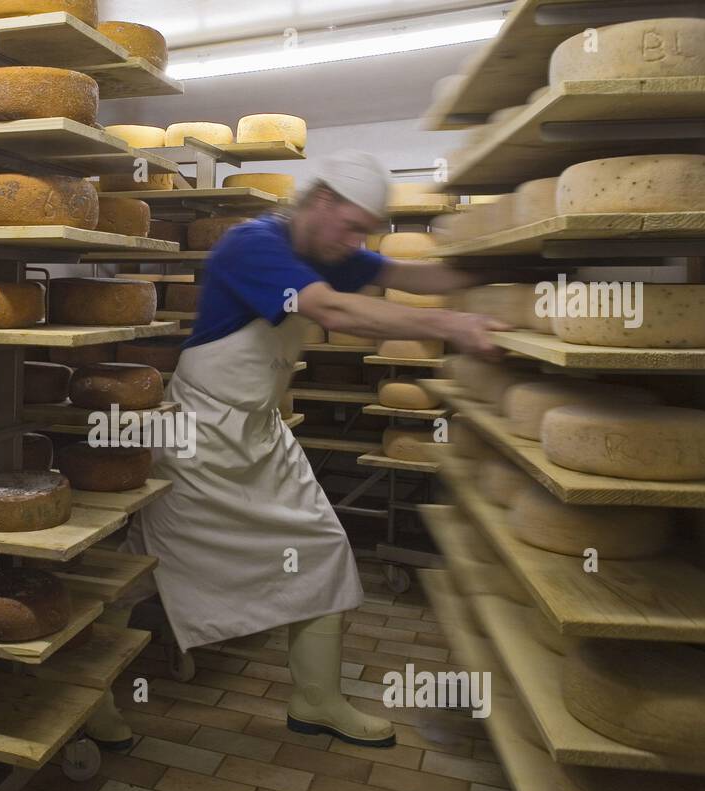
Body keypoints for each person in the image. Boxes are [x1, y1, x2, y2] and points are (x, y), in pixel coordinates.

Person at [90, 150, 509, 751]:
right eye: (354, 226)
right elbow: (331, 309)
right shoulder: (252, 244)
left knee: (320, 550)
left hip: (259, 434)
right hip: (199, 438)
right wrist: (452, 328)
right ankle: (88, 693)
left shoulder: (327, 248)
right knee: (150, 565)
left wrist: (504, 266)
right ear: (320, 202)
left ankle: (316, 699)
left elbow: (413, 277)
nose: (358, 241)